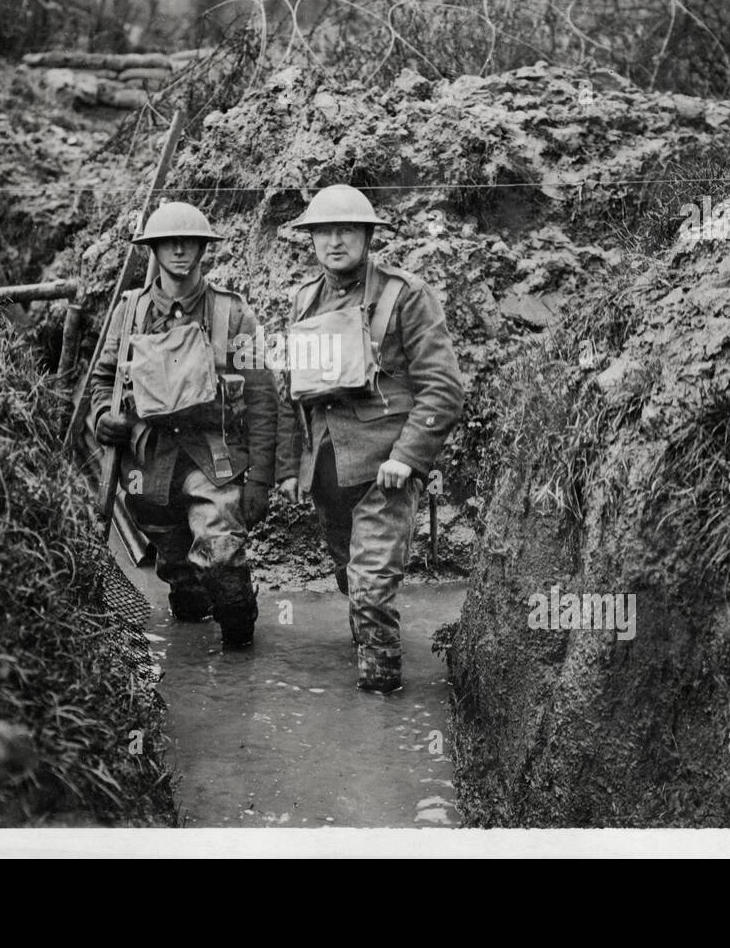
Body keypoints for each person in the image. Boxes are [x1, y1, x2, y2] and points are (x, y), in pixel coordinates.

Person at [275, 185, 465, 692]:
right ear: (311, 239)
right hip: (329, 473)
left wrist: (408, 457)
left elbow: (443, 389)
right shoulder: (302, 300)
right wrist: (292, 467)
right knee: (351, 578)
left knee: (372, 586)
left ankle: (382, 696)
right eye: (323, 232)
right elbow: (295, 393)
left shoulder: (405, 295)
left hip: (386, 471)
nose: (334, 241)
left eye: (346, 230)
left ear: (366, 235)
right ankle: (365, 645)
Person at [89, 201, 276, 648]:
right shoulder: (129, 312)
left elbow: (263, 398)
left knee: (221, 556)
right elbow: (102, 379)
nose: (178, 250)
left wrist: (262, 479)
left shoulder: (233, 314)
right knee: (179, 576)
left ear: (202, 248)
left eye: (188, 241)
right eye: (168, 242)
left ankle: (239, 644)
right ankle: (192, 657)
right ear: (152, 248)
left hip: (211, 458)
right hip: (149, 462)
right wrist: (103, 417)